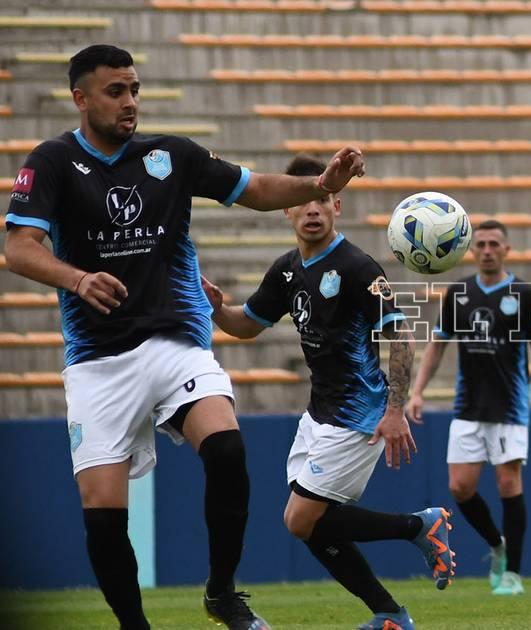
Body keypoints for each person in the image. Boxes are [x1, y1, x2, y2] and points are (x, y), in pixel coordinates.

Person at [2, 44, 368, 630]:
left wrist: (319, 182)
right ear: (80, 98)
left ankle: (222, 592)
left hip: (176, 339)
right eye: (115, 92)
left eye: (135, 89)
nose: (129, 102)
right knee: (103, 514)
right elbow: (17, 247)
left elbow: (254, 189)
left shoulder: (170, 155)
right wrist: (76, 278)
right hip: (98, 359)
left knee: (226, 450)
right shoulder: (49, 163)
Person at [199, 155, 454, 630]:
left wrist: (395, 409)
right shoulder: (286, 271)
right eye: (304, 200)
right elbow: (247, 327)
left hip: (360, 412)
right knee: (312, 525)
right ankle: (389, 614)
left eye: (322, 199)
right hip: (319, 413)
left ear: (336, 204)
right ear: (287, 209)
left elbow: (400, 336)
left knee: (299, 519)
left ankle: (418, 526)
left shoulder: (358, 267)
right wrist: (217, 310)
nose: (313, 208)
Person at [406, 219, 531, 596]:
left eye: (495, 243)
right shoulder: (458, 293)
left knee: (509, 484)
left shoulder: (525, 295)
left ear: (507, 249)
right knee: (460, 487)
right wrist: (417, 390)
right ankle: (497, 545)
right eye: (482, 244)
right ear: (472, 250)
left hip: (510, 407)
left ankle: (513, 574)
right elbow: (437, 345)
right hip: (468, 406)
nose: (488, 250)